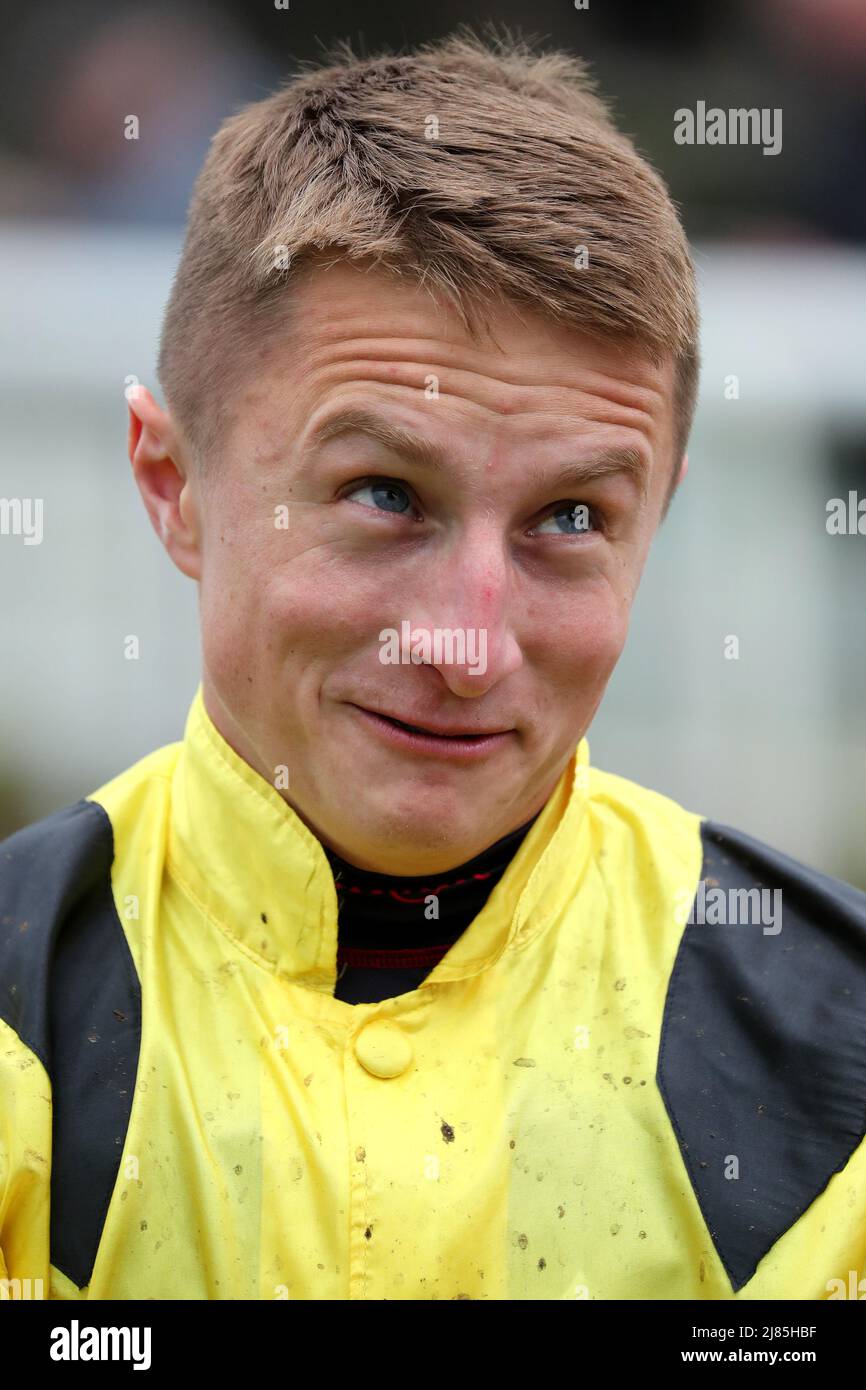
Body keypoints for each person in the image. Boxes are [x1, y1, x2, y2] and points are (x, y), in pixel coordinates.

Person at [1, 30, 864, 1304]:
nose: (469, 641)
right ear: (171, 484)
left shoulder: (830, 1054)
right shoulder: (22, 1014)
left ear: (656, 519)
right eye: (385, 493)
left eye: (570, 518)